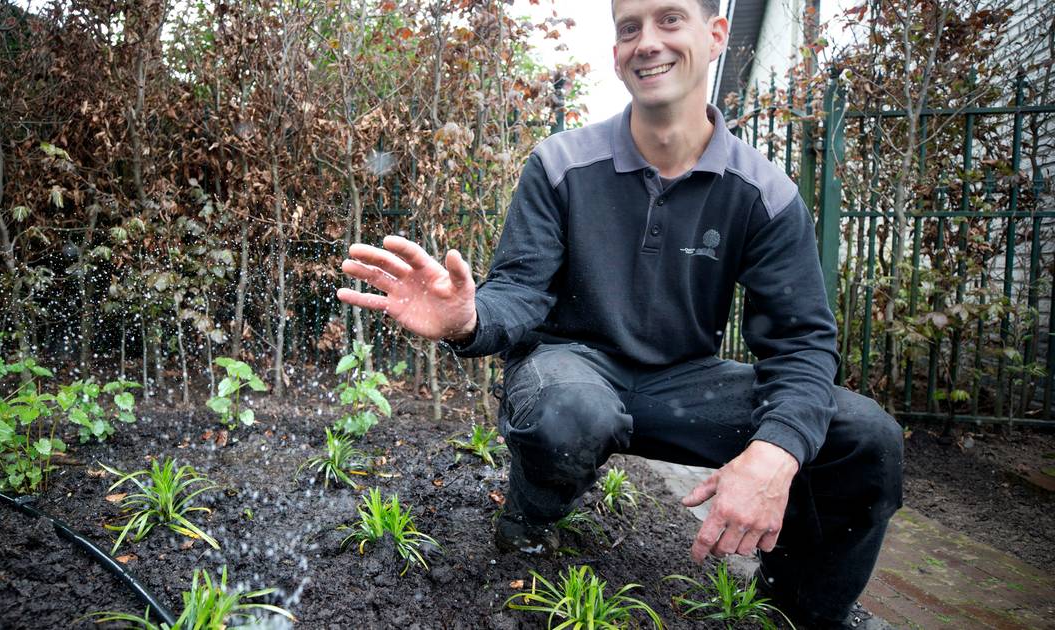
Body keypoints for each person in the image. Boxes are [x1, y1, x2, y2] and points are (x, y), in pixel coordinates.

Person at [336, 0, 903, 626]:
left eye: (669, 19)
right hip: (569, 367)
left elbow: (800, 344)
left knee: (864, 437)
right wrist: (469, 320)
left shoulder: (764, 195)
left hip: (685, 384)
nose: (647, 42)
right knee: (570, 413)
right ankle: (528, 521)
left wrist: (776, 450)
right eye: (630, 28)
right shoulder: (560, 166)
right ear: (615, 55)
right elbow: (519, 292)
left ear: (716, 35)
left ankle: (802, 605)